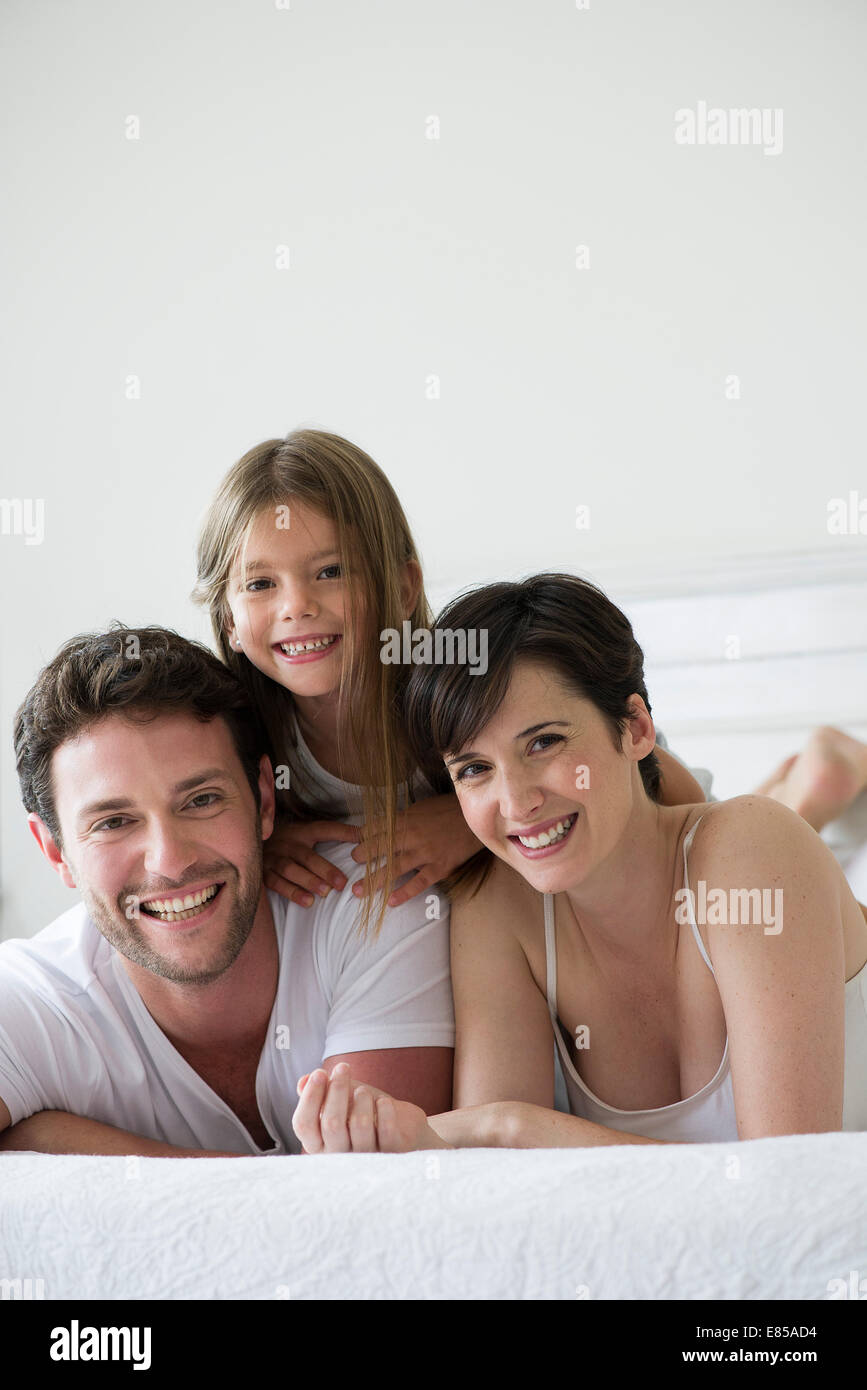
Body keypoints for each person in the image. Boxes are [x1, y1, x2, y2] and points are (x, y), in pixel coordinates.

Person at [289, 573, 867, 1153]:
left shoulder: (756, 848)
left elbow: (784, 1181)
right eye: (473, 769)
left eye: (543, 742)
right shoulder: (499, 906)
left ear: (637, 727)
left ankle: (814, 786)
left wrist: (509, 1125)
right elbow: (500, 1184)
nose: (516, 803)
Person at [192, 429, 713, 927]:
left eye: (332, 571)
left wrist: (467, 822)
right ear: (229, 622)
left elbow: (674, 799)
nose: (296, 606)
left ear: (401, 588)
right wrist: (254, 842)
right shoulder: (235, 736)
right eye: (260, 583)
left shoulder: (457, 681)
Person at [0, 626, 453, 1156]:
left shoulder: (376, 902)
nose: (170, 861)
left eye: (201, 800)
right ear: (55, 851)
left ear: (263, 799)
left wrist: (44, 1140)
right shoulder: (33, 999)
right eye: (114, 822)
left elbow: (380, 1202)